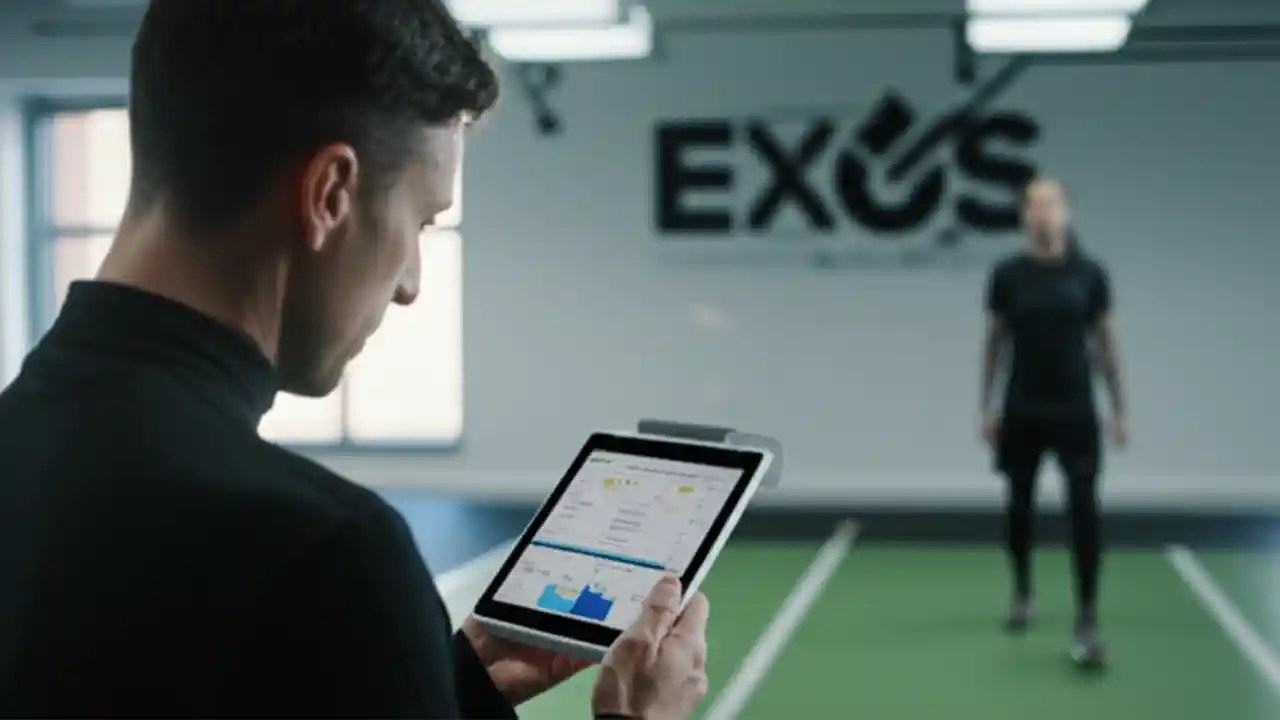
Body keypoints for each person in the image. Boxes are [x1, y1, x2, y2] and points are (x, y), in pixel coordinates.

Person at [0, 1, 710, 717]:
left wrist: (440, 687)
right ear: (330, 194)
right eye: (422, 222)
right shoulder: (324, 556)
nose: (409, 286)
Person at [980, 176, 1128, 669]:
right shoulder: (1007, 275)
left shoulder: (1090, 274)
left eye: (1053, 204)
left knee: (1084, 508)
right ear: (1025, 215)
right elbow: (994, 344)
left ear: (1066, 212)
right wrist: (987, 406)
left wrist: (1119, 408)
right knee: (1018, 505)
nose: (1045, 212)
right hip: (1022, 408)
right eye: (1036, 205)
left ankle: (1087, 609)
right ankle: (1023, 593)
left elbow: (1105, 345)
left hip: (1076, 411)